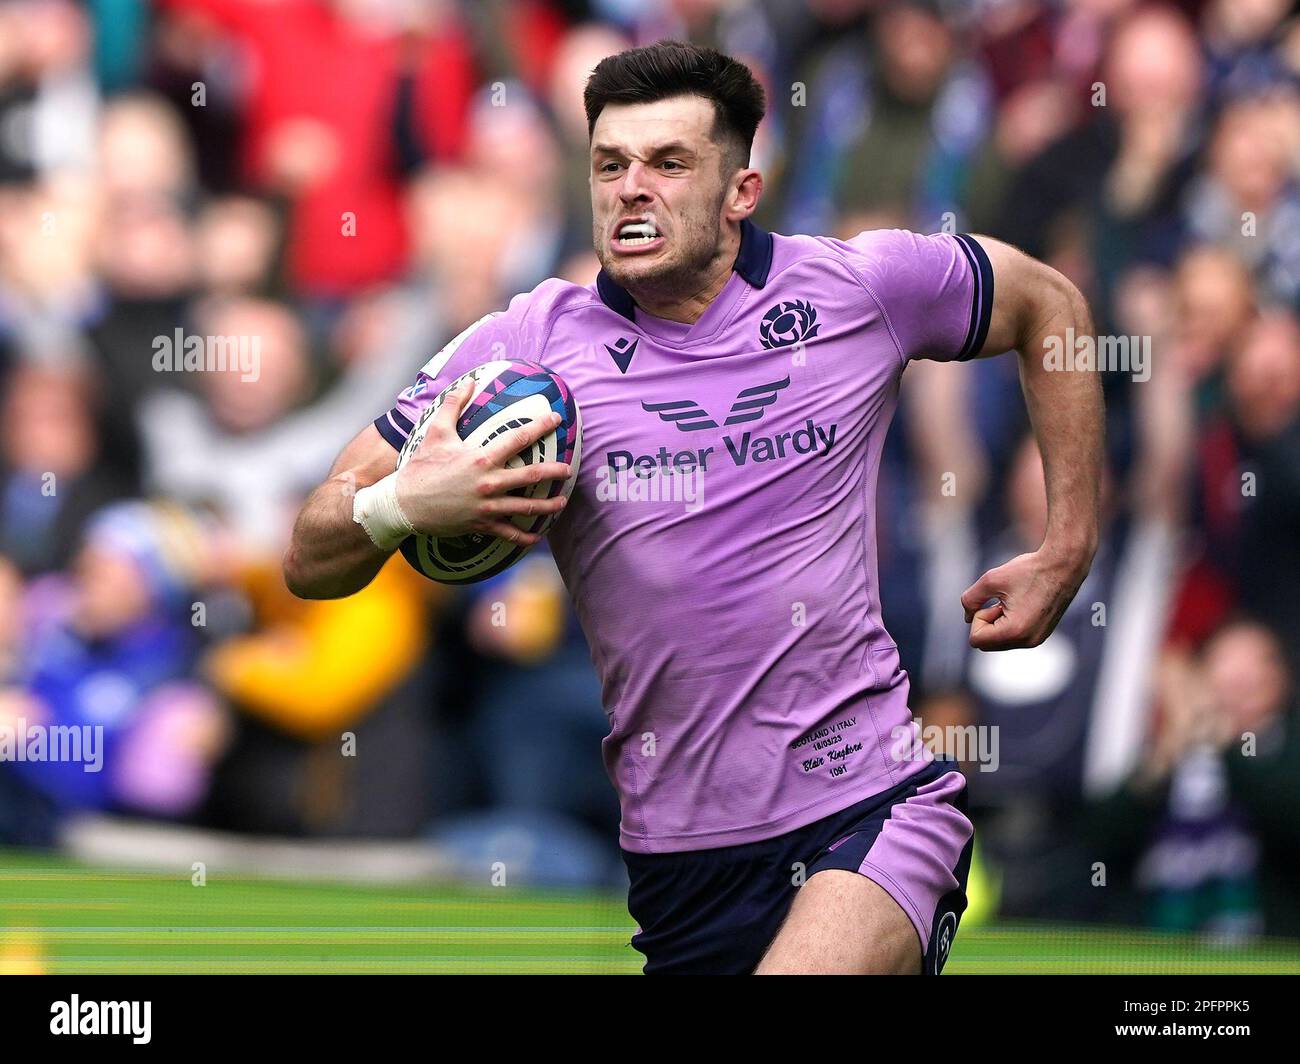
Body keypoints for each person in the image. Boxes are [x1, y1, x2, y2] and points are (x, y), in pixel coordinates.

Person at [284, 41, 1103, 975]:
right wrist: (399, 504)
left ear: (741, 191)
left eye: (669, 164)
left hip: (870, 807)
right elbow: (310, 556)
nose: (632, 188)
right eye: (609, 164)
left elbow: (1052, 307)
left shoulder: (859, 288)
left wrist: (1066, 545)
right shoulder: (523, 350)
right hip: (679, 859)